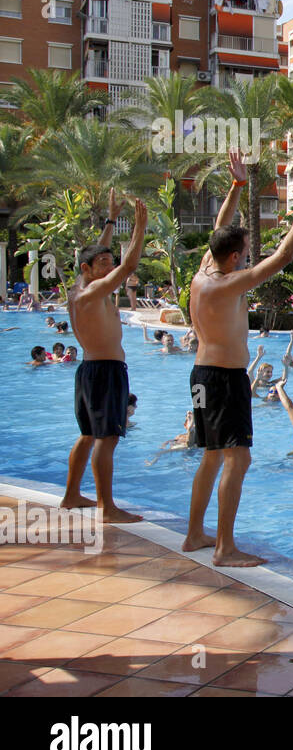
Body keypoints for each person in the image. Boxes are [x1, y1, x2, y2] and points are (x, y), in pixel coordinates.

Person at [185, 152, 293, 566]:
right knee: (237, 458)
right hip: (224, 380)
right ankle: (224, 548)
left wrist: (239, 187)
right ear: (234, 257)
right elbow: (282, 259)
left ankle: (193, 535)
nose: (249, 252)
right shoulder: (226, 284)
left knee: (210, 454)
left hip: (202, 375)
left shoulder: (205, 271)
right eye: (244, 249)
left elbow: (221, 229)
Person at [63, 192, 148, 522]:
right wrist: (138, 227)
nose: (110, 267)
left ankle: (71, 495)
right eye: (103, 264)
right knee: (107, 438)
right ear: (87, 269)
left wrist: (112, 219)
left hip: (90, 370)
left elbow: (98, 254)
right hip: (104, 372)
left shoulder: (79, 288)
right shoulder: (92, 291)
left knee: (88, 435)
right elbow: (129, 266)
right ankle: (106, 507)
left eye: (108, 262)